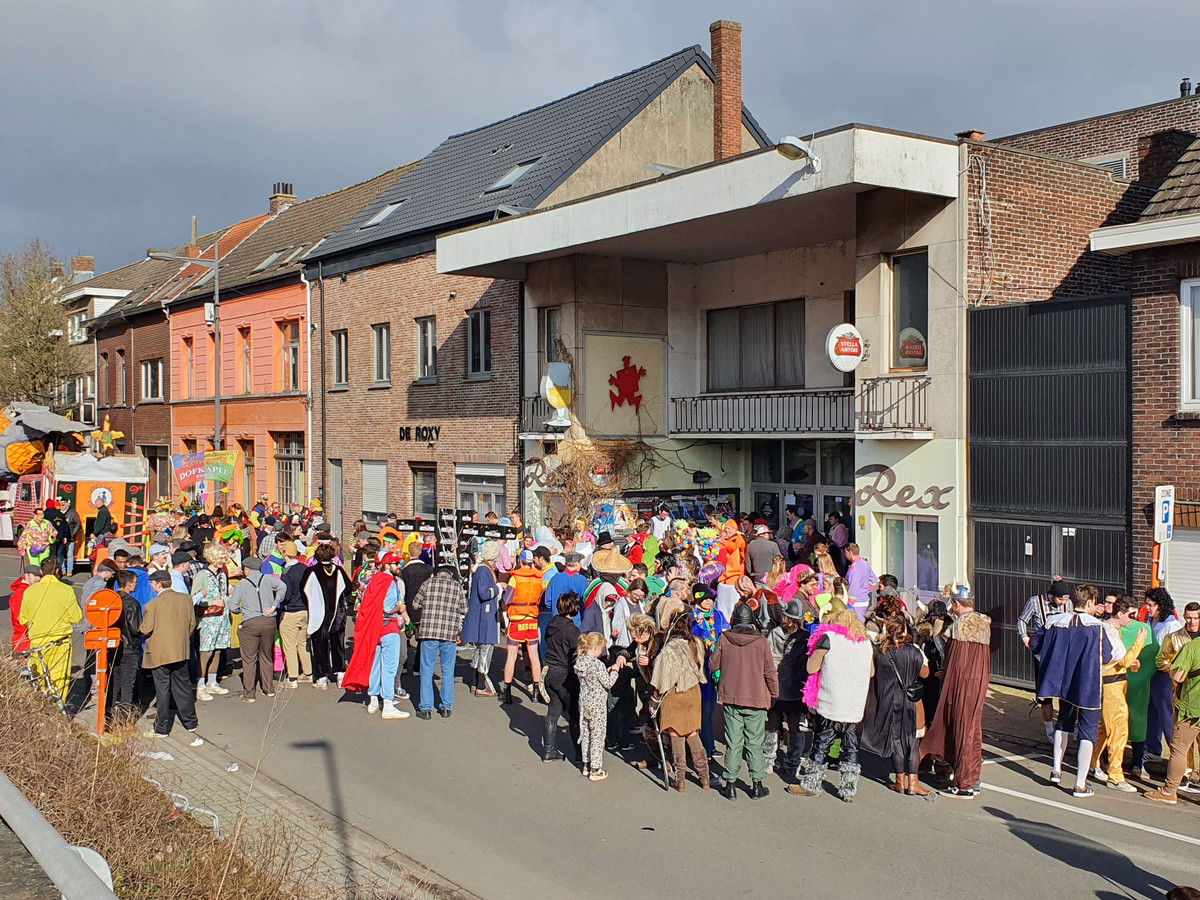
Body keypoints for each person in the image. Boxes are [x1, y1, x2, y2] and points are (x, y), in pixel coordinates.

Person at [789, 599, 874, 802]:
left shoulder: (828, 638)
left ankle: (812, 784)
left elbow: (811, 668)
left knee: (820, 745)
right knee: (851, 749)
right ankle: (848, 790)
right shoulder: (865, 641)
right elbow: (871, 672)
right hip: (854, 707)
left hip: (831, 703)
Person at [1030, 583, 1105, 799]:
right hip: (1088, 684)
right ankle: (1080, 784)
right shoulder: (1098, 626)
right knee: (1088, 729)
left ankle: (1056, 769)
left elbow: (1036, 644)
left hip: (1062, 683)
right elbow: (1110, 655)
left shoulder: (1054, 621)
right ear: (1090, 602)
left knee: (1063, 721)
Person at [921, 583, 991, 799]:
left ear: (957, 603)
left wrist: (945, 678)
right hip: (978, 684)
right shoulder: (984, 622)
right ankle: (973, 779)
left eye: (954, 604)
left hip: (962, 685)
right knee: (973, 731)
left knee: (962, 730)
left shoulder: (959, 628)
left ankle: (964, 784)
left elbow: (954, 664)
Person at [710, 602, 778, 800]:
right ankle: (757, 785)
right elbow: (770, 672)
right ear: (752, 622)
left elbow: (713, 666)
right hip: (756, 698)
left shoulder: (724, 638)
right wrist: (774, 694)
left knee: (733, 743)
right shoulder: (761, 642)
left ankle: (730, 785)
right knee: (755, 743)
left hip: (731, 698)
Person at [862, 614, 931, 795]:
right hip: (912, 703)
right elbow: (925, 674)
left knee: (897, 742)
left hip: (889, 703)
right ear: (905, 632)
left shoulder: (879, 652)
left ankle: (900, 781)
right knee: (913, 743)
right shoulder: (915, 651)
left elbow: (872, 674)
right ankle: (913, 782)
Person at [342, 552, 409, 720]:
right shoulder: (390, 582)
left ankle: (373, 700)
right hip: (389, 627)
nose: (399, 566)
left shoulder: (375, 579)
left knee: (375, 665)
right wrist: (400, 608)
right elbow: (388, 608)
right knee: (390, 667)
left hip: (375, 628)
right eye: (396, 563)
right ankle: (387, 703)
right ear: (387, 565)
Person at [1090, 595, 1148, 791]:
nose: (1133, 619)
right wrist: (1139, 642)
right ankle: (1115, 775)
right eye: (1131, 615)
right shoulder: (1111, 632)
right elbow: (1122, 660)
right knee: (1119, 731)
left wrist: (1131, 663)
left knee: (1105, 730)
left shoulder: (1108, 629)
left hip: (1110, 683)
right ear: (1120, 613)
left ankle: (1092, 763)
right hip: (1112, 686)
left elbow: (1118, 661)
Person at [650, 608, 711, 791]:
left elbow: (661, 681)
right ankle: (705, 779)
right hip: (693, 693)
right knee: (693, 733)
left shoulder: (668, 651)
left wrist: (654, 701)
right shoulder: (698, 644)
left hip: (675, 695)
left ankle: (681, 780)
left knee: (676, 734)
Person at [140, 568, 202, 744]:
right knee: (182, 687)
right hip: (180, 651)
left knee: (162, 691)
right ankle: (191, 723)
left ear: (159, 584)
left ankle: (162, 728)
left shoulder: (153, 605)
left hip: (159, 654)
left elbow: (145, 629)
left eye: (152, 583)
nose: (151, 585)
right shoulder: (186, 600)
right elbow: (192, 625)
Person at [1147, 601, 1200, 802]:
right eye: (1188, 618)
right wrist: (1171, 668)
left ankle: (1169, 791)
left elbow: (1178, 676)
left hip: (1190, 704)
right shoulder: (1174, 637)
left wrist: (1179, 670)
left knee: (1177, 748)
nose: (1192, 622)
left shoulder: (1191, 648)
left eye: (1196, 618)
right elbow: (1161, 661)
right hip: (1179, 697)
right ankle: (1184, 776)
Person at [18, 558, 82, 702]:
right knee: (59, 679)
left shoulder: (30, 591)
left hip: (38, 640)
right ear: (58, 571)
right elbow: (76, 617)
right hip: (60, 641)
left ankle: (42, 709)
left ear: (41, 572)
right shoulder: (66, 590)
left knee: (40, 678)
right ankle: (58, 710)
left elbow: (23, 619)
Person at [1017, 578, 1072, 743]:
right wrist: (1024, 636)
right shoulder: (1035, 601)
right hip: (1043, 654)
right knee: (1045, 693)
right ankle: (1049, 730)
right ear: (1051, 596)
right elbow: (1022, 620)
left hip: (1062, 654)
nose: (1064, 603)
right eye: (1061, 599)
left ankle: (1065, 727)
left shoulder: (1067, 604)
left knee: (1065, 692)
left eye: (1066, 599)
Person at [411, 565, 469, 719]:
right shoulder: (457, 586)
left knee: (427, 671)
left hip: (429, 632)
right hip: (449, 634)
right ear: (452, 574)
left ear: (437, 573)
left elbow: (415, 604)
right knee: (448, 671)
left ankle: (426, 708)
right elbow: (465, 609)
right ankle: (446, 707)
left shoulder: (428, 583)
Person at [766, 599, 812, 779]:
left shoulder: (775, 633)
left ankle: (768, 760)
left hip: (777, 686)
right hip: (796, 687)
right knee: (794, 727)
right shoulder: (805, 636)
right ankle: (793, 763)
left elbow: (768, 659)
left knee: (773, 725)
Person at [227, 557, 284, 702]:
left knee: (249, 659)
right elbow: (283, 586)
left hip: (250, 622)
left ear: (247, 569)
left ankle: (249, 693)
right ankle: (269, 689)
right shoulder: (268, 578)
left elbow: (233, 606)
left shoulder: (242, 584)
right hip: (269, 620)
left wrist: (242, 611)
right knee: (266, 655)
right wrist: (274, 605)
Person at [301, 543, 351, 690]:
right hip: (338, 612)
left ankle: (322, 677)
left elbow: (303, 591)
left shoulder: (311, 571)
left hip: (319, 612)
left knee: (320, 644)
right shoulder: (339, 571)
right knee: (338, 643)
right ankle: (340, 673)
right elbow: (348, 588)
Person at [575, 631, 623, 781]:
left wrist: (606, 671)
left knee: (586, 734)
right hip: (597, 705)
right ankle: (596, 769)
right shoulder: (597, 664)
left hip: (584, 702)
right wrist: (614, 671)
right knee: (597, 736)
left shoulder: (580, 661)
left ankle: (586, 764)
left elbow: (593, 676)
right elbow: (607, 683)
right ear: (595, 648)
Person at [502, 549, 547, 703]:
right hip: (532, 619)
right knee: (534, 656)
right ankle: (536, 691)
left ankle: (507, 691)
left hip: (517, 619)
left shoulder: (515, 578)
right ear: (532, 562)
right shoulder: (539, 578)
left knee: (512, 656)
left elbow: (507, 599)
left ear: (520, 561)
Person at [691, 583, 729, 760]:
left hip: (716, 668)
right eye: (704, 599)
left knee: (711, 708)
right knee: (704, 710)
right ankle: (706, 747)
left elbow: (727, 633)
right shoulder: (692, 617)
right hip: (699, 669)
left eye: (710, 598)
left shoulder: (718, 615)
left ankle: (706, 746)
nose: (708, 602)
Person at [543, 592, 582, 763]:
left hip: (550, 671)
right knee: (575, 714)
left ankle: (548, 750)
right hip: (565, 675)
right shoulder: (571, 629)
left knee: (553, 711)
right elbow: (577, 653)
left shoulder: (552, 623)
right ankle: (580, 754)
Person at [191, 543, 233, 702]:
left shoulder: (222, 574)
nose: (224, 560)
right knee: (206, 652)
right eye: (221, 557)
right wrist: (211, 602)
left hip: (222, 618)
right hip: (208, 620)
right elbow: (195, 597)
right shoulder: (202, 575)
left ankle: (212, 682)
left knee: (218, 650)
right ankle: (200, 685)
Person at [464, 541, 503, 698]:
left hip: (483, 614)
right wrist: (498, 587)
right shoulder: (484, 570)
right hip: (484, 616)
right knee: (485, 650)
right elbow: (484, 593)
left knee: (481, 650)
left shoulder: (483, 568)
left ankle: (475, 684)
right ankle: (480, 686)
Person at [541, 550, 588, 660]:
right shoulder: (582, 580)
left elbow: (548, 602)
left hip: (556, 622)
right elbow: (585, 604)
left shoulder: (555, 578)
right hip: (576, 623)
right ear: (576, 564)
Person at [277, 542, 313, 687]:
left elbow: (286, 594)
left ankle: (292, 678)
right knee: (302, 644)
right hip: (305, 610)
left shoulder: (287, 572)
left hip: (291, 611)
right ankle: (308, 672)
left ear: (285, 553)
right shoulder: (305, 569)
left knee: (289, 646)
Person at [109, 569, 142, 716]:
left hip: (114, 646)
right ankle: (123, 719)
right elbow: (135, 629)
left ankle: (108, 715)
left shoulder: (111, 600)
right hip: (130, 648)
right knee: (128, 685)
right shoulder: (133, 604)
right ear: (128, 584)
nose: (136, 585)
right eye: (135, 582)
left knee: (114, 683)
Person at [399, 542, 432, 677]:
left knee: (406, 637)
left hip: (407, 606)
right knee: (422, 639)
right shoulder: (428, 569)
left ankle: (405, 665)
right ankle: (418, 667)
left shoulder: (404, 571)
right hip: (423, 607)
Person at [715, 519, 746, 620]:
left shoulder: (739, 538)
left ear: (734, 529)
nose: (727, 531)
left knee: (732, 605)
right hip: (724, 577)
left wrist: (723, 541)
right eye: (726, 529)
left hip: (735, 576)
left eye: (729, 529)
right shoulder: (726, 539)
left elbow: (734, 547)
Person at [8, 564, 42, 654]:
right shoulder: (21, 592)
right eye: (35, 575)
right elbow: (18, 618)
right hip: (24, 638)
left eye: (40, 576)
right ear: (27, 575)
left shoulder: (30, 590)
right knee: (24, 664)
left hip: (28, 636)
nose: (38, 578)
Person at [843, 544, 878, 621]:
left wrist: (849, 602)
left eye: (845, 552)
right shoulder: (865, 564)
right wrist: (865, 590)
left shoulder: (854, 569)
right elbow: (874, 581)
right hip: (864, 600)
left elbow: (853, 586)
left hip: (855, 603)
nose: (845, 555)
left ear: (850, 553)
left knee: (858, 626)